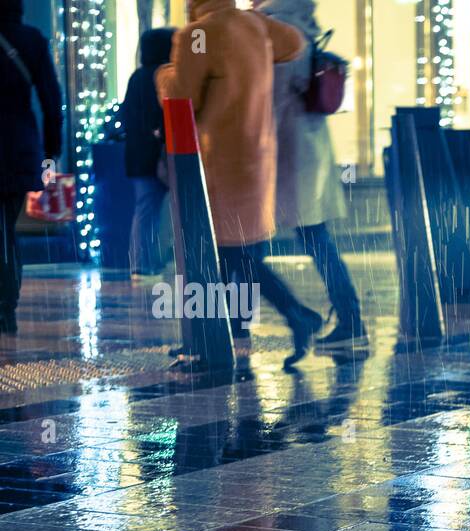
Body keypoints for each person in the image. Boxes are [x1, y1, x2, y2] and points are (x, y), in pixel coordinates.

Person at [156, 0, 322, 370]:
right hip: (256, 157)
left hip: (216, 163)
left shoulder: (197, 34)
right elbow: (293, 43)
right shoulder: (253, 25)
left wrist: (164, 73)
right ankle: (224, 334)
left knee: (222, 254)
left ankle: (291, 316)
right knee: (240, 253)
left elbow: (181, 95)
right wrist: (254, 27)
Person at [259, 0, 366, 352]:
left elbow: (268, 97)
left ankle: (344, 320)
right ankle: (348, 319)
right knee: (316, 239)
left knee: (250, 242)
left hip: (286, 152)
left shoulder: (275, 32)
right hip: (308, 150)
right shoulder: (306, 29)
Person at [0, 0, 61, 337]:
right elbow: (51, 100)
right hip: (18, 147)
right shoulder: (32, 40)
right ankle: (6, 310)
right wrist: (52, 152)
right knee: (8, 233)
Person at [120, 27, 176, 278]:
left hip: (138, 157)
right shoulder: (165, 76)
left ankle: (142, 264)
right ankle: (150, 262)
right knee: (164, 211)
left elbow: (126, 117)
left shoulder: (136, 77)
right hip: (162, 155)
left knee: (144, 210)